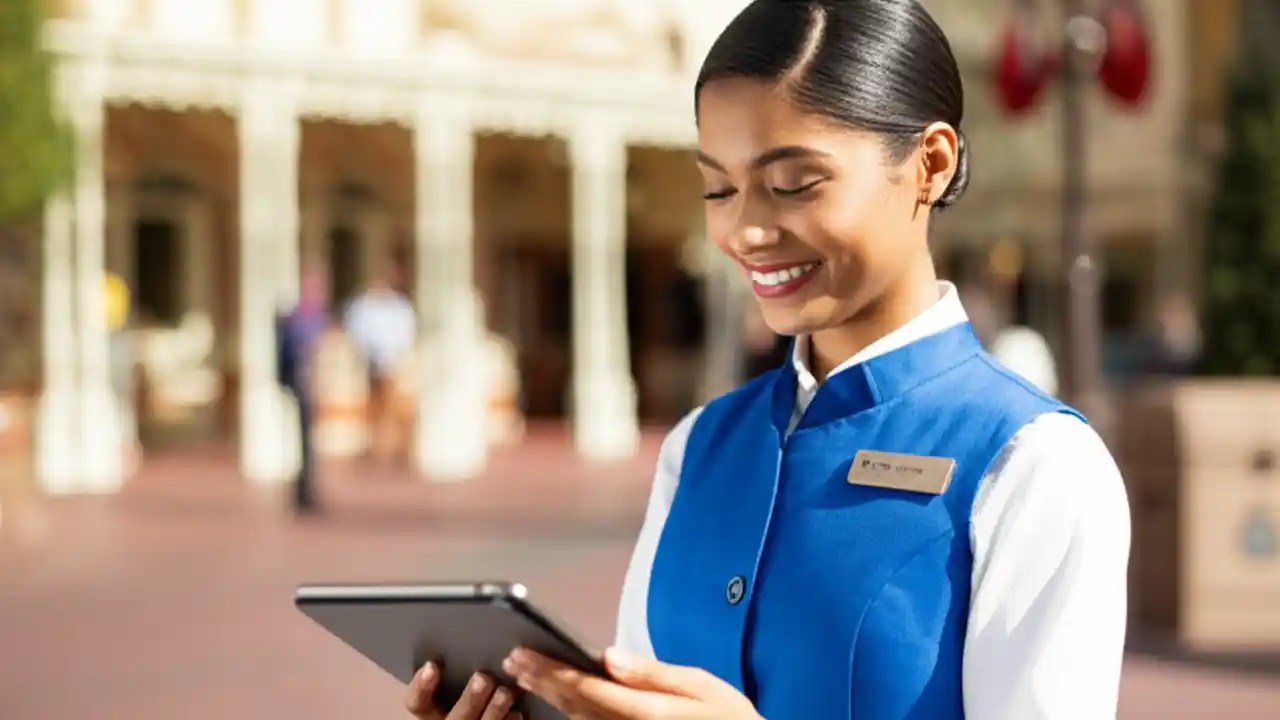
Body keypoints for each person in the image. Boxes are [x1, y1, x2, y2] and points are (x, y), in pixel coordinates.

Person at [405, 1, 1130, 718]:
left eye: (793, 184)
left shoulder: (1035, 465)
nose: (745, 231)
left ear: (929, 166)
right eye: (718, 188)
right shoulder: (698, 448)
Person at [343, 268, 418, 463]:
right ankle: (373, 449)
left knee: (397, 407)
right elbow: (356, 330)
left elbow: (405, 334)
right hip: (371, 363)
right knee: (373, 409)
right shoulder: (364, 307)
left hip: (393, 363)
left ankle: (401, 451)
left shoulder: (399, 308)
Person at [277, 264, 330, 514]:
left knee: (310, 441)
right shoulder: (297, 317)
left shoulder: (317, 316)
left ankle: (308, 488)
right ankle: (302, 491)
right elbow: (295, 351)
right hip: (301, 384)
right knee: (303, 439)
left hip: (313, 384)